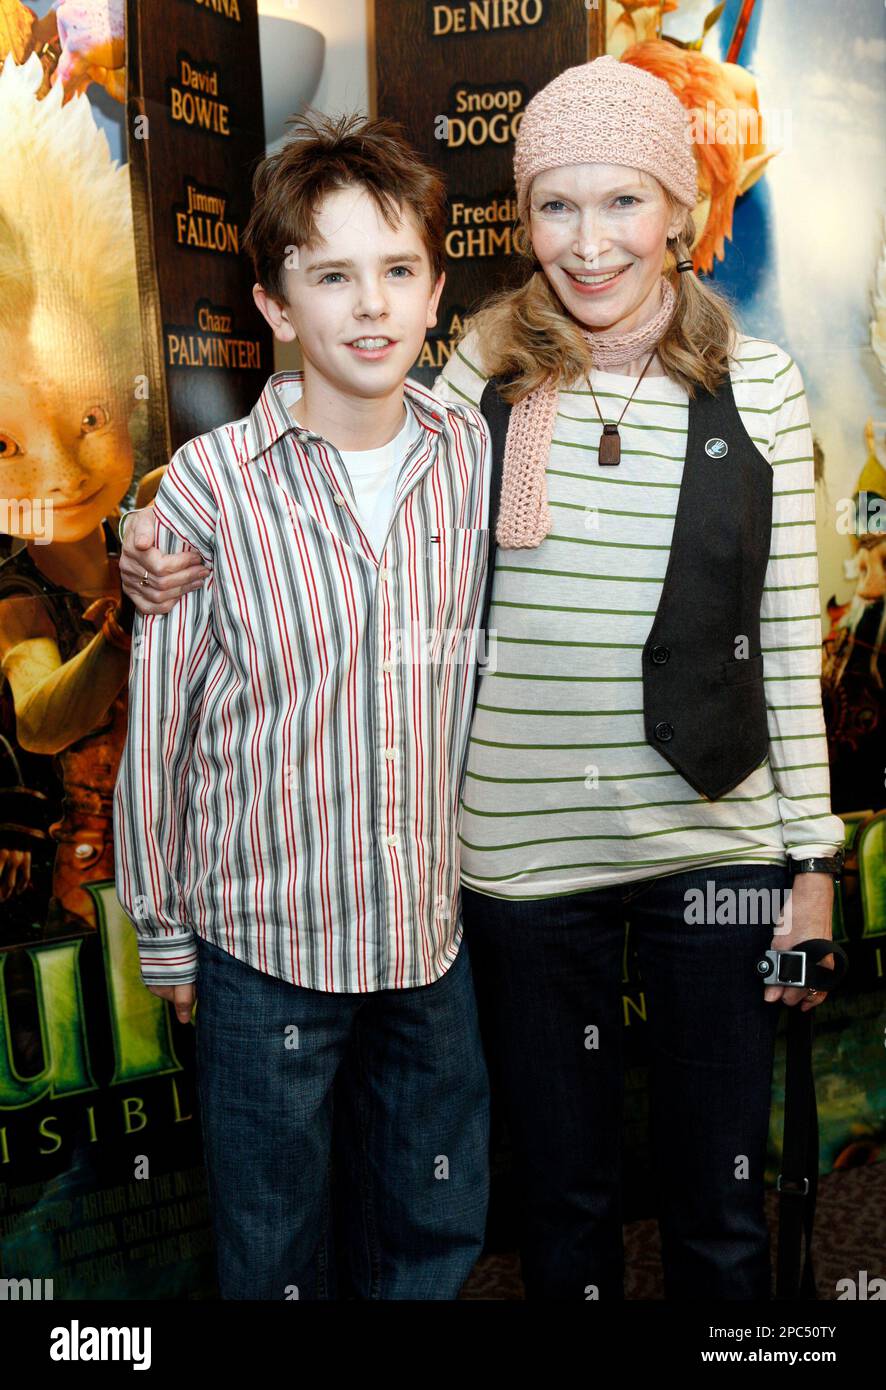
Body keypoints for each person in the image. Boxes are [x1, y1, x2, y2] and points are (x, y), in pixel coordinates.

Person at [120, 57, 845, 1302]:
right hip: (511, 862)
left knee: (715, 1203)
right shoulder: (482, 382)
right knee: (555, 1199)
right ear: (522, 220)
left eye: (623, 201)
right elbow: (333, 426)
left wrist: (812, 862)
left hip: (712, 844)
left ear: (677, 205)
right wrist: (143, 538)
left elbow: (781, 639)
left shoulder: (760, 386)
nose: (591, 240)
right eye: (556, 205)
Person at [112, 112, 491, 1300]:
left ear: (436, 294)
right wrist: (164, 931)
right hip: (261, 950)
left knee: (432, 1234)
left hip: (425, 945)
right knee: (271, 1251)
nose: (369, 306)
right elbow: (159, 733)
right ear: (276, 305)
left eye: (397, 272)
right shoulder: (206, 490)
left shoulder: (472, 455)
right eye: (331, 275)